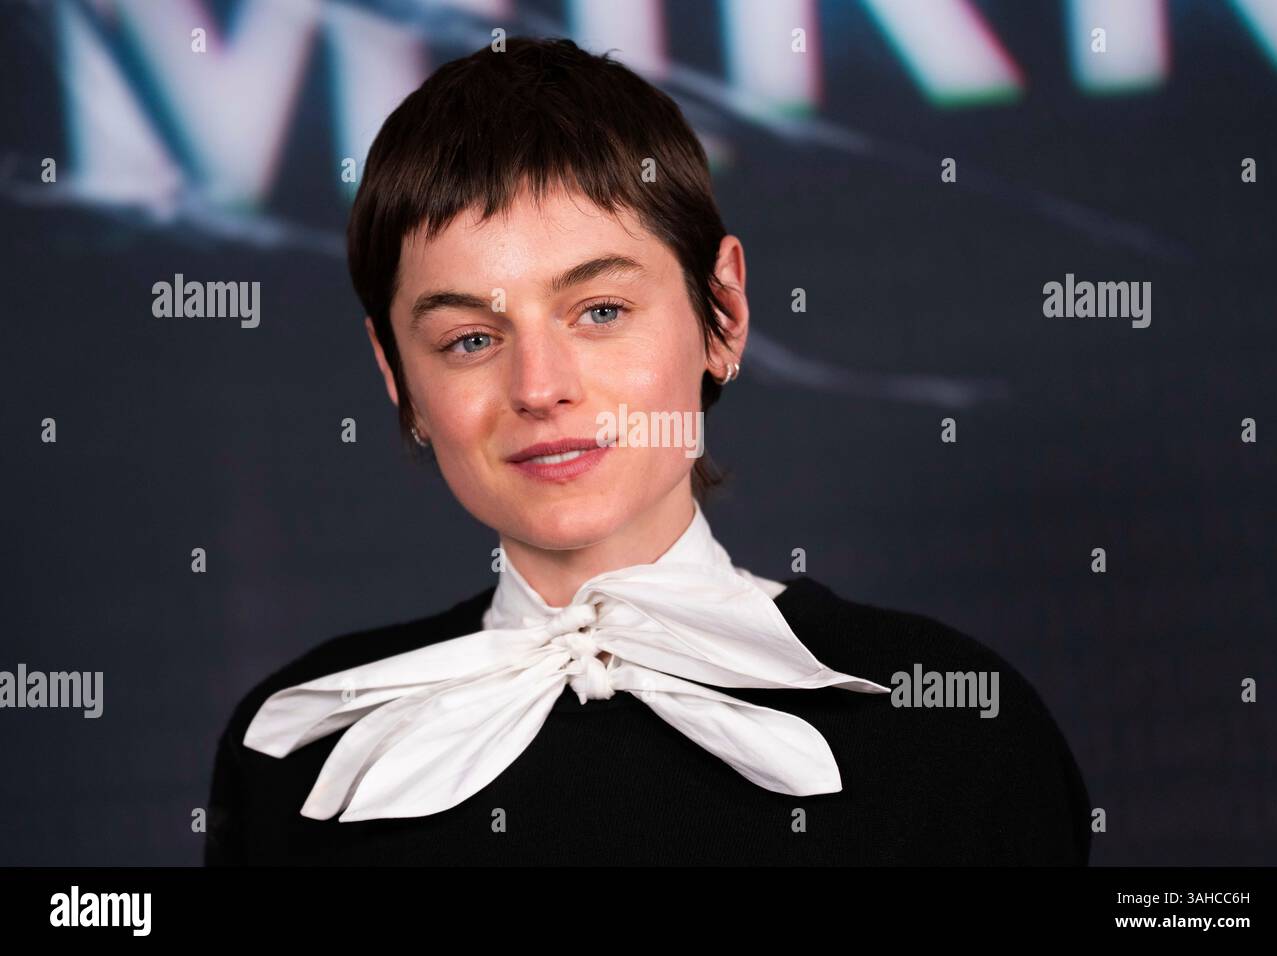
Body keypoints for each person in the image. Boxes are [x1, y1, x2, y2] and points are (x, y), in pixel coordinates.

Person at [203, 36, 1091, 866]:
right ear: (398, 377)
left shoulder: (948, 720)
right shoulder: (299, 746)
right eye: (470, 339)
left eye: (600, 312)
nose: (540, 386)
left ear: (723, 313)